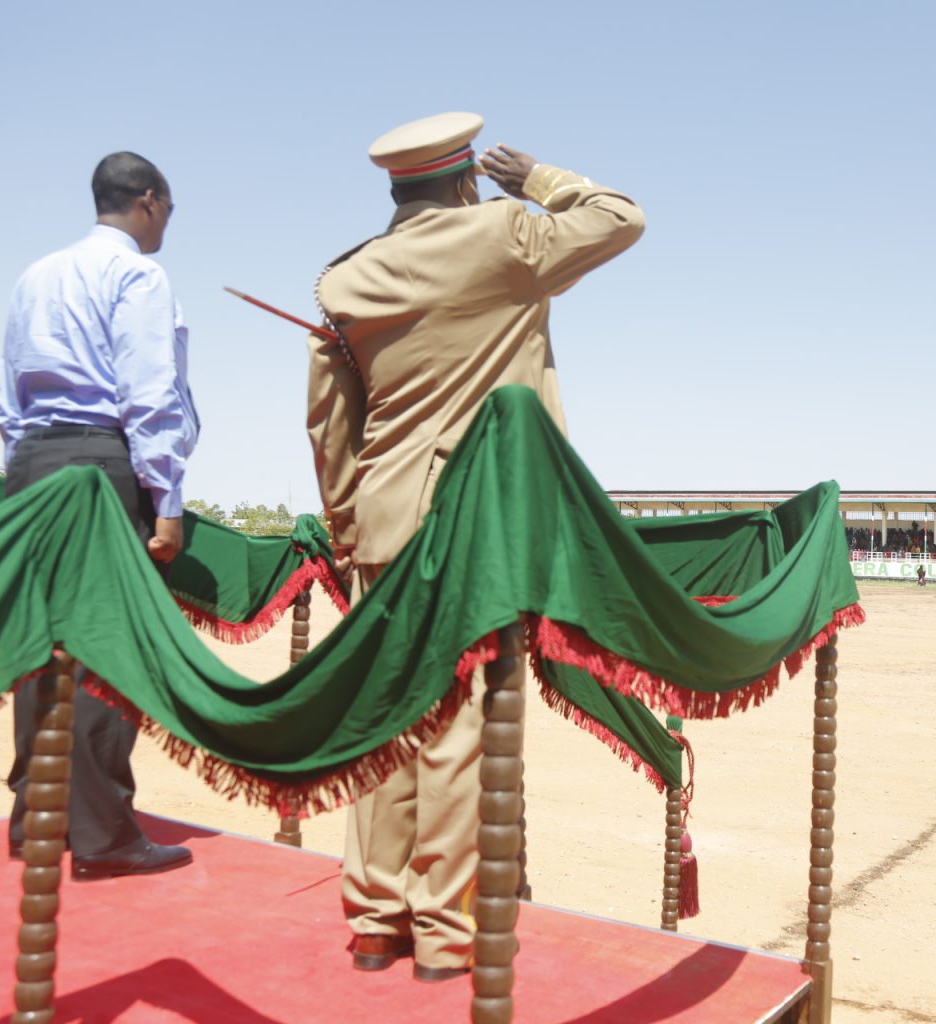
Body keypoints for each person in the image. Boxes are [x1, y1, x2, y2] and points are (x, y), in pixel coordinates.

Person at [306, 112, 644, 980]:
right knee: (459, 730)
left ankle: (374, 918)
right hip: (477, 520)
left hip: (385, 519)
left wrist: (350, 533)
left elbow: (331, 425)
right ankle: (446, 933)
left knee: (387, 718)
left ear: (395, 189)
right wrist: (539, 180)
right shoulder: (504, 235)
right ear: (465, 180)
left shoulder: (345, 279)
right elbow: (620, 217)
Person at [0, 151, 198, 880]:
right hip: (102, 463)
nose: (167, 223)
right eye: (169, 209)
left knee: (41, 644)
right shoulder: (138, 275)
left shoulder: (36, 275)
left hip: (34, 463)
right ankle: (105, 834)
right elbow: (149, 394)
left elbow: (8, 396)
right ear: (149, 201)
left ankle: (37, 818)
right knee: (108, 649)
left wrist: (25, 469)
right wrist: (166, 501)